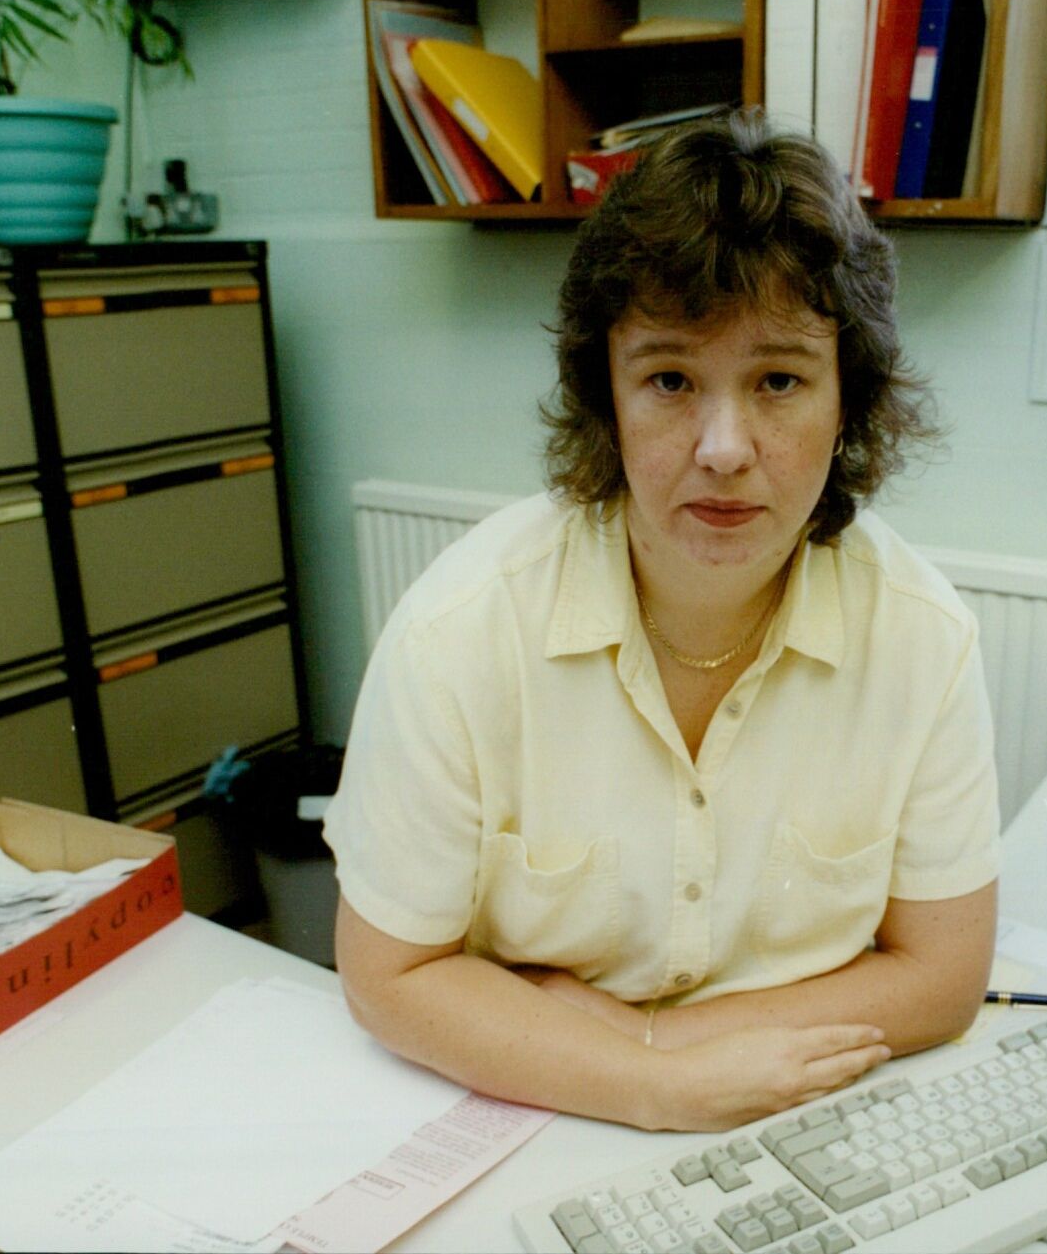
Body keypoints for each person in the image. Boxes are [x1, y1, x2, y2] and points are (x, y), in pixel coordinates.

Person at [325, 110, 1000, 1133]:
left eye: (777, 380)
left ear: (846, 398)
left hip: (799, 1113)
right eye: (671, 380)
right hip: (525, 1118)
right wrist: (648, 1087)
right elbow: (387, 976)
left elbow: (943, 977)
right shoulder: (461, 631)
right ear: (607, 397)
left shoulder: (922, 638)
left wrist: (655, 1040)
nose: (724, 447)